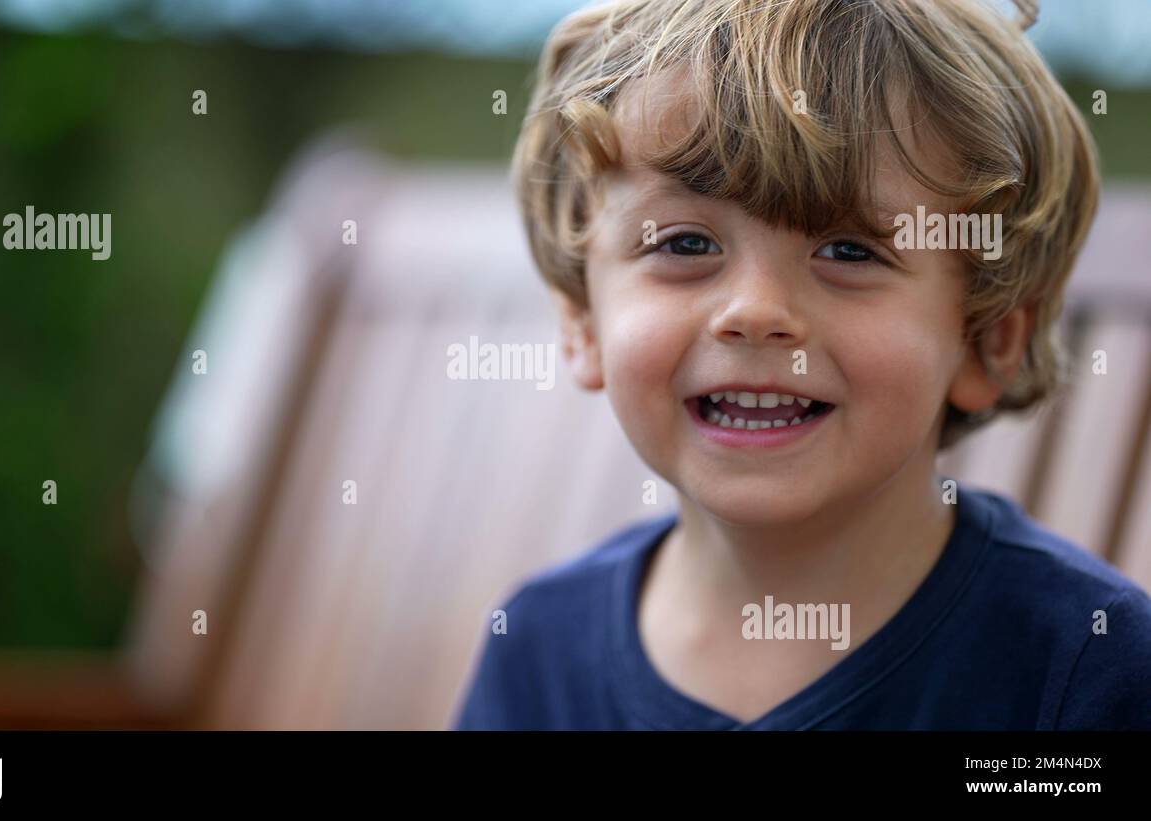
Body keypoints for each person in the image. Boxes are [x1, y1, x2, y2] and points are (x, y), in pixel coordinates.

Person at [453, 0, 1151, 729]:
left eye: (849, 251)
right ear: (583, 321)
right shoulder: (539, 649)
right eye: (686, 245)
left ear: (986, 339)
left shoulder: (1080, 664)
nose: (754, 311)